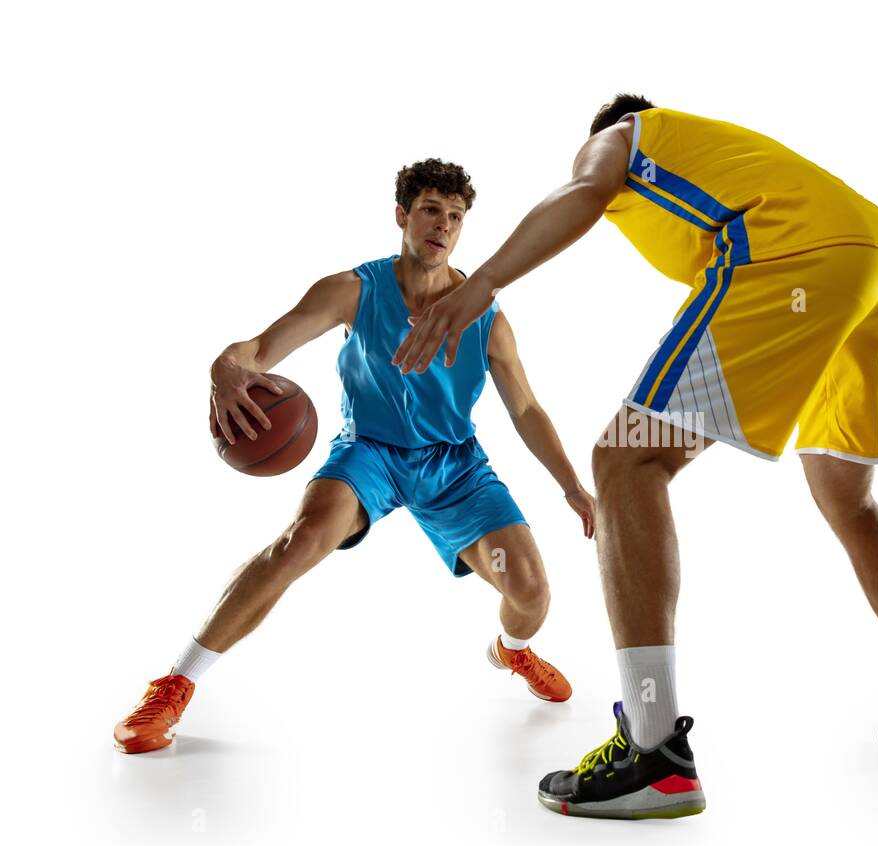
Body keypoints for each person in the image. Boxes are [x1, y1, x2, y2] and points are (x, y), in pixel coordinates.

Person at [396, 98, 878, 820]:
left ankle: (653, 750)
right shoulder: (724, 163)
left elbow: (585, 190)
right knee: (846, 497)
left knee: (625, 461)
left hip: (791, 256)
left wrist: (476, 288)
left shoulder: (625, 134)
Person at [113, 159, 593, 754]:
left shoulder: (486, 317)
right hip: (369, 452)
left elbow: (526, 409)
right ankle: (174, 683)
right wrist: (225, 367)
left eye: (455, 216)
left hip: (454, 467)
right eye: (429, 211)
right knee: (303, 539)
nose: (441, 226)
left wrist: (571, 486)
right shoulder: (353, 290)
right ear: (402, 215)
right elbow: (259, 349)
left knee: (530, 591)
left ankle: (512, 652)